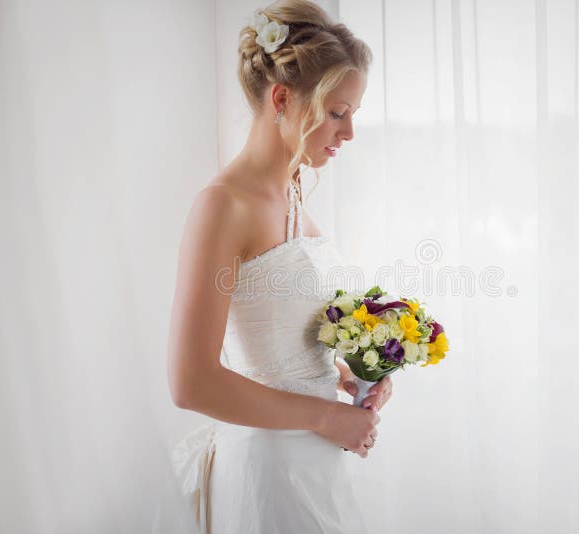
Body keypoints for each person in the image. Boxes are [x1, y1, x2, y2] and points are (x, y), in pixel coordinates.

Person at [165, 1, 393, 532]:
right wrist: (324, 416)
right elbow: (190, 382)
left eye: (352, 114)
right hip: (267, 473)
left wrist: (351, 379)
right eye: (337, 113)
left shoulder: (293, 196)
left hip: (315, 465)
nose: (349, 133)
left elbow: (281, 346)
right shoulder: (223, 205)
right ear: (283, 98)